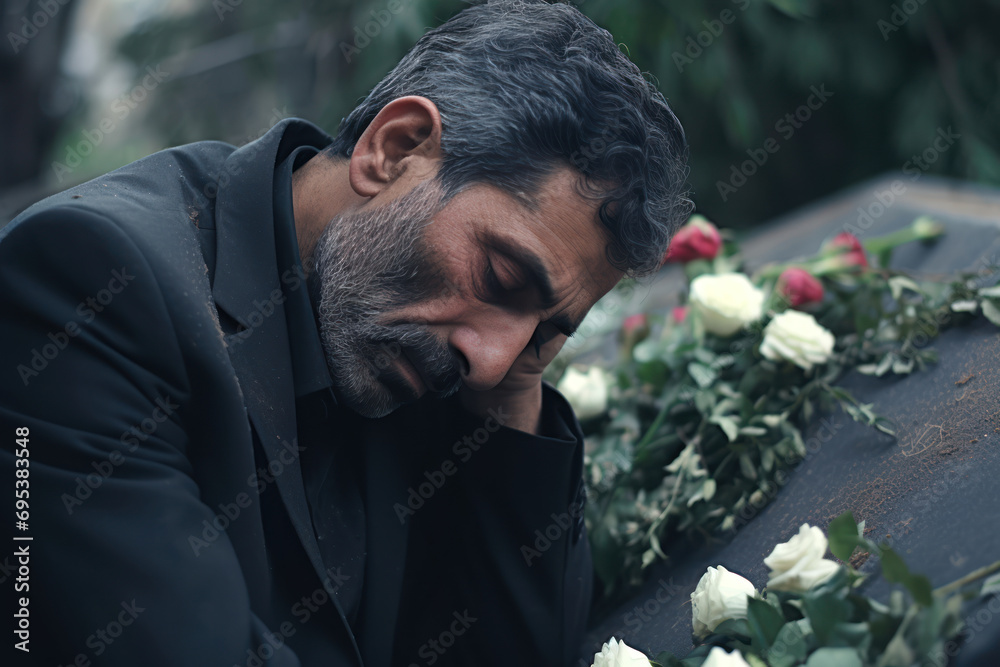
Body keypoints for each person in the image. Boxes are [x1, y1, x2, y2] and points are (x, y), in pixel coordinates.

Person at [0, 0, 690, 664]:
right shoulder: (93, 285)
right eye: (503, 278)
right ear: (393, 149)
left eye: (546, 330)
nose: (491, 359)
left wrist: (515, 395)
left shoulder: (438, 352)